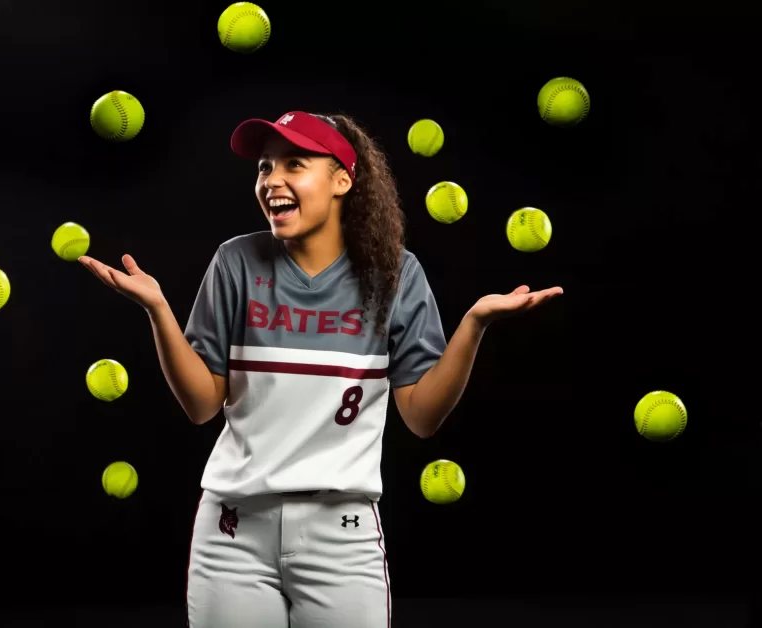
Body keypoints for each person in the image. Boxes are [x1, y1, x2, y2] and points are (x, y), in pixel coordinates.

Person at [79, 110, 563, 627]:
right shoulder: (235, 262)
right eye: (265, 167)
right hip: (233, 534)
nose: (273, 180)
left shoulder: (395, 274)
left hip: (343, 537)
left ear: (342, 180)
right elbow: (201, 405)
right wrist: (158, 309)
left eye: (295, 163)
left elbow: (422, 416)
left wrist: (474, 325)